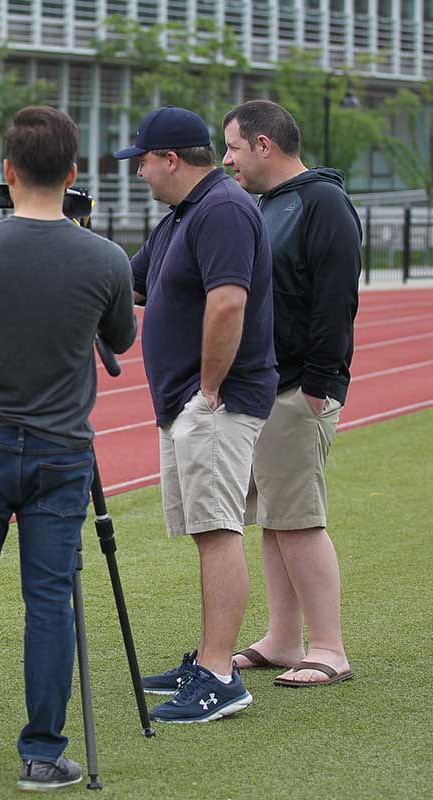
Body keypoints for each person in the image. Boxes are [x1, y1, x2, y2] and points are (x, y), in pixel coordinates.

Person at [0, 106, 137, 790]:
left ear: (8, 172)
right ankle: (43, 755)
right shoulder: (105, 257)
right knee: (49, 601)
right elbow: (122, 342)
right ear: (72, 175)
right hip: (60, 447)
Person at [115, 106, 278, 723]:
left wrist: (208, 390)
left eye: (144, 162)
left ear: (172, 159)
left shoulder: (223, 209)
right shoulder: (184, 214)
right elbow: (129, 286)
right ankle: (211, 659)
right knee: (205, 530)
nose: (141, 174)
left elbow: (228, 303)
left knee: (217, 531)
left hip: (216, 399)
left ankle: (219, 676)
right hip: (189, 398)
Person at [221, 100, 358, 687]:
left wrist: (321, 384)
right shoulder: (266, 204)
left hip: (301, 386)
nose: (226, 159)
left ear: (263, 145)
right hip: (269, 385)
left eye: (231, 147)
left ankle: (329, 647)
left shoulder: (320, 202)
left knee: (299, 518)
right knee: (275, 518)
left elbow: (336, 297)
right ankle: (282, 638)